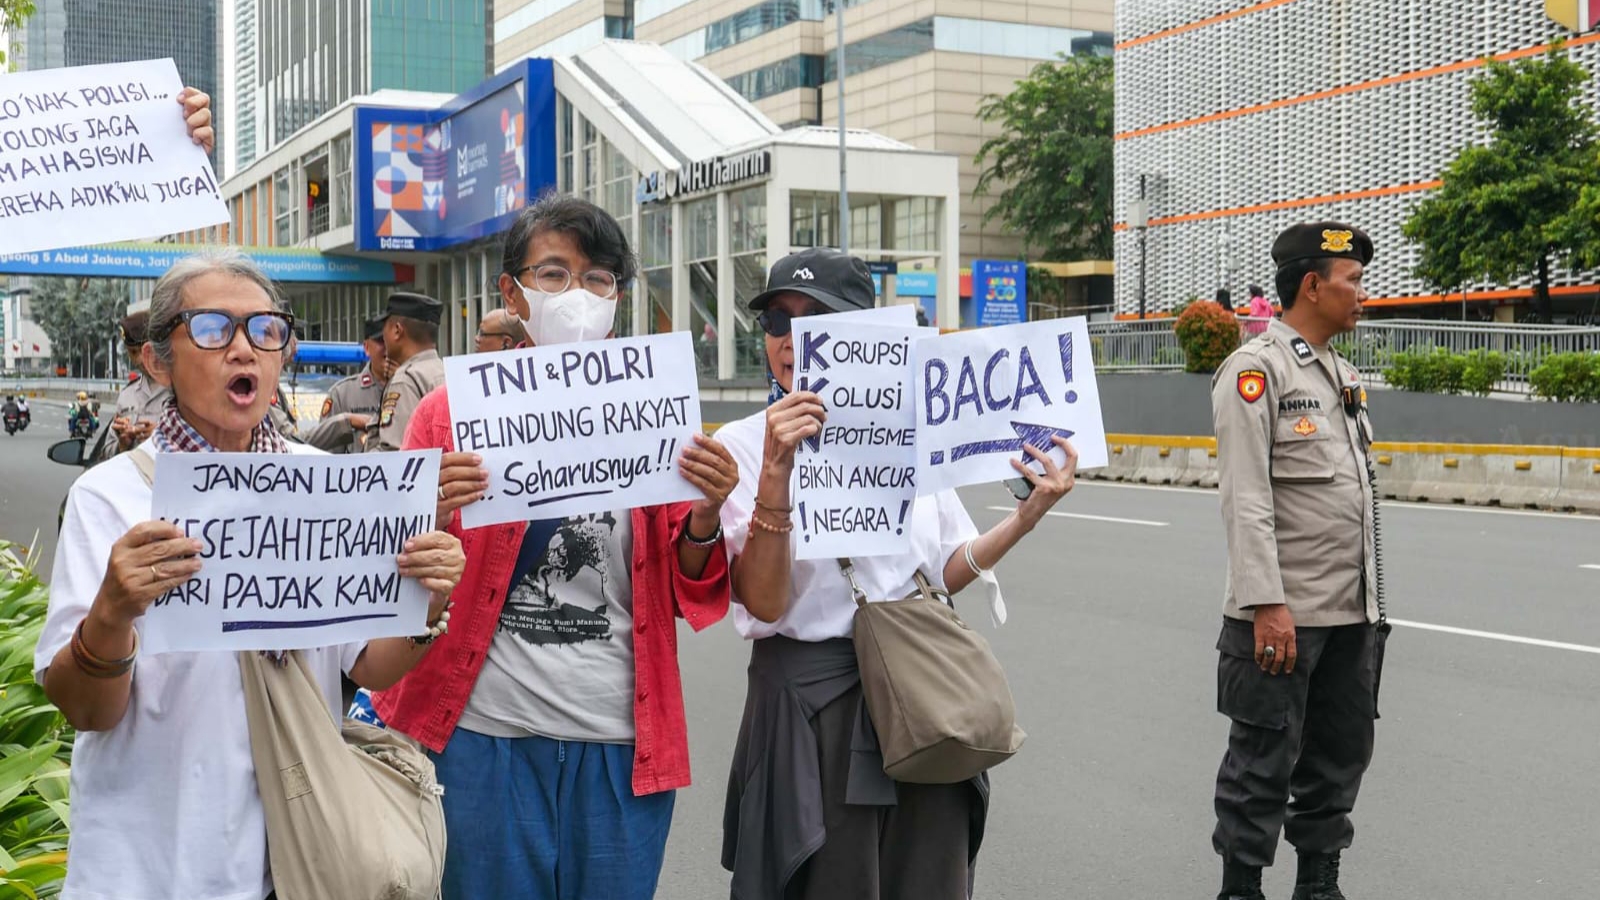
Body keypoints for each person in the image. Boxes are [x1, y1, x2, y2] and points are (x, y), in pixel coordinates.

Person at [33, 249, 466, 900]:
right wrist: (112, 613)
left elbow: (368, 665)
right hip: (148, 866)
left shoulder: (325, 486)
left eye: (265, 330)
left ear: (282, 353)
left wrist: (426, 600)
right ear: (158, 359)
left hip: (295, 859)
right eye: (212, 328)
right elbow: (86, 710)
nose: (244, 350)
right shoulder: (110, 497)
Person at [371, 194, 740, 900]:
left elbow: (687, 583)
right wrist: (431, 508)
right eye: (554, 274)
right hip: (481, 737)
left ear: (619, 298)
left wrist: (703, 515)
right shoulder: (447, 412)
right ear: (512, 292)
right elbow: (400, 578)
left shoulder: (655, 407)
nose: (578, 295)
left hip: (620, 744)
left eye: (598, 279)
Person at [716, 247, 1081, 900]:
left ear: (865, 337)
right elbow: (765, 605)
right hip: (809, 709)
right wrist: (776, 472)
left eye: (815, 320)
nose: (791, 341)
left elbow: (943, 569)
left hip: (915, 696)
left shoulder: (910, 430)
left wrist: (1027, 518)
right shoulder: (742, 446)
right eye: (777, 321)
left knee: (926, 877)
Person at [1209, 222, 1382, 900]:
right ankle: (1241, 889)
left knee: (1338, 761)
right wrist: (1266, 604)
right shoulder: (1256, 373)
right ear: (1312, 285)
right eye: (1353, 281)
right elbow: (1246, 500)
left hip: (1350, 614)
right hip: (1282, 617)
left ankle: (1319, 886)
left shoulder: (1342, 375)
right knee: (1261, 766)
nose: (1362, 294)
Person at [301, 315, 390, 452]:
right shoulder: (342, 395)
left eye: (390, 341)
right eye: (381, 342)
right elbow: (328, 458)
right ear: (366, 347)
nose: (387, 348)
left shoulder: (410, 389)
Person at [372, 292, 445, 452]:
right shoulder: (445, 372)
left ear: (397, 330)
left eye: (384, 327)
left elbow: (392, 454)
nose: (382, 335)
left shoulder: (406, 380)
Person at [107, 310, 172, 457]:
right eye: (133, 352)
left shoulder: (182, 391)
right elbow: (106, 455)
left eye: (144, 351)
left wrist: (160, 438)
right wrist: (122, 444)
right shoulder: (127, 396)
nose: (139, 360)